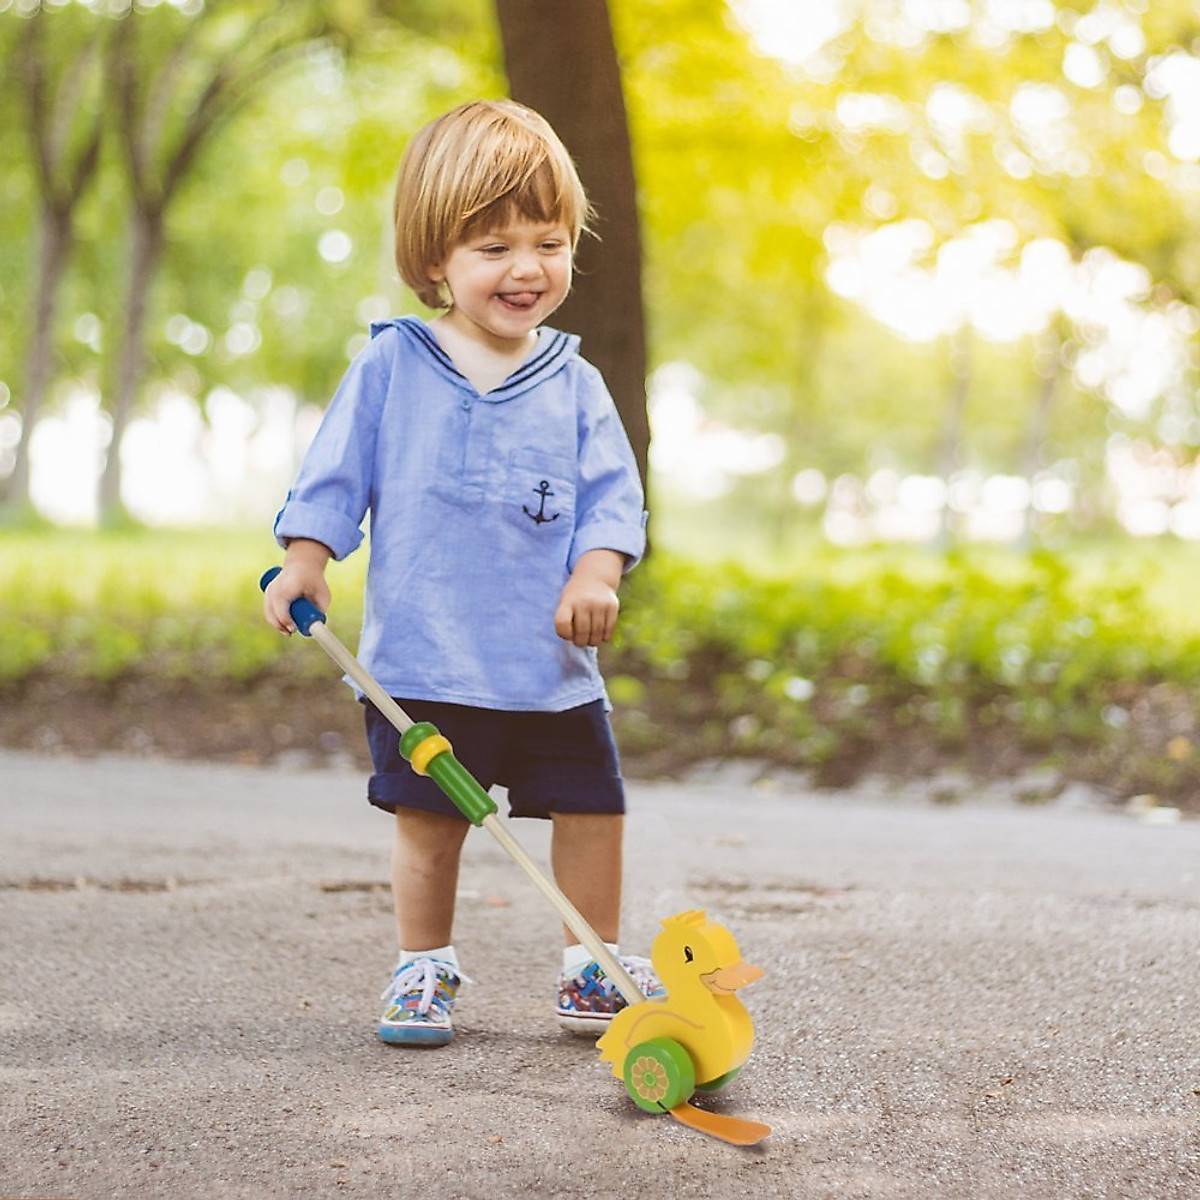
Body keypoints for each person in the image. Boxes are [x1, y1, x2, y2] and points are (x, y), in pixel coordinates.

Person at [263, 99, 662, 1048]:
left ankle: (590, 967)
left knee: (591, 809)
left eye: (549, 242)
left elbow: (613, 500)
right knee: (430, 823)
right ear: (435, 258)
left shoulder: (575, 382)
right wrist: (305, 559)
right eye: (493, 247)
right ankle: (423, 966)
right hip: (425, 658)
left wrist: (595, 573)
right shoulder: (392, 366)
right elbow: (335, 475)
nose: (526, 268)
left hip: (550, 665)